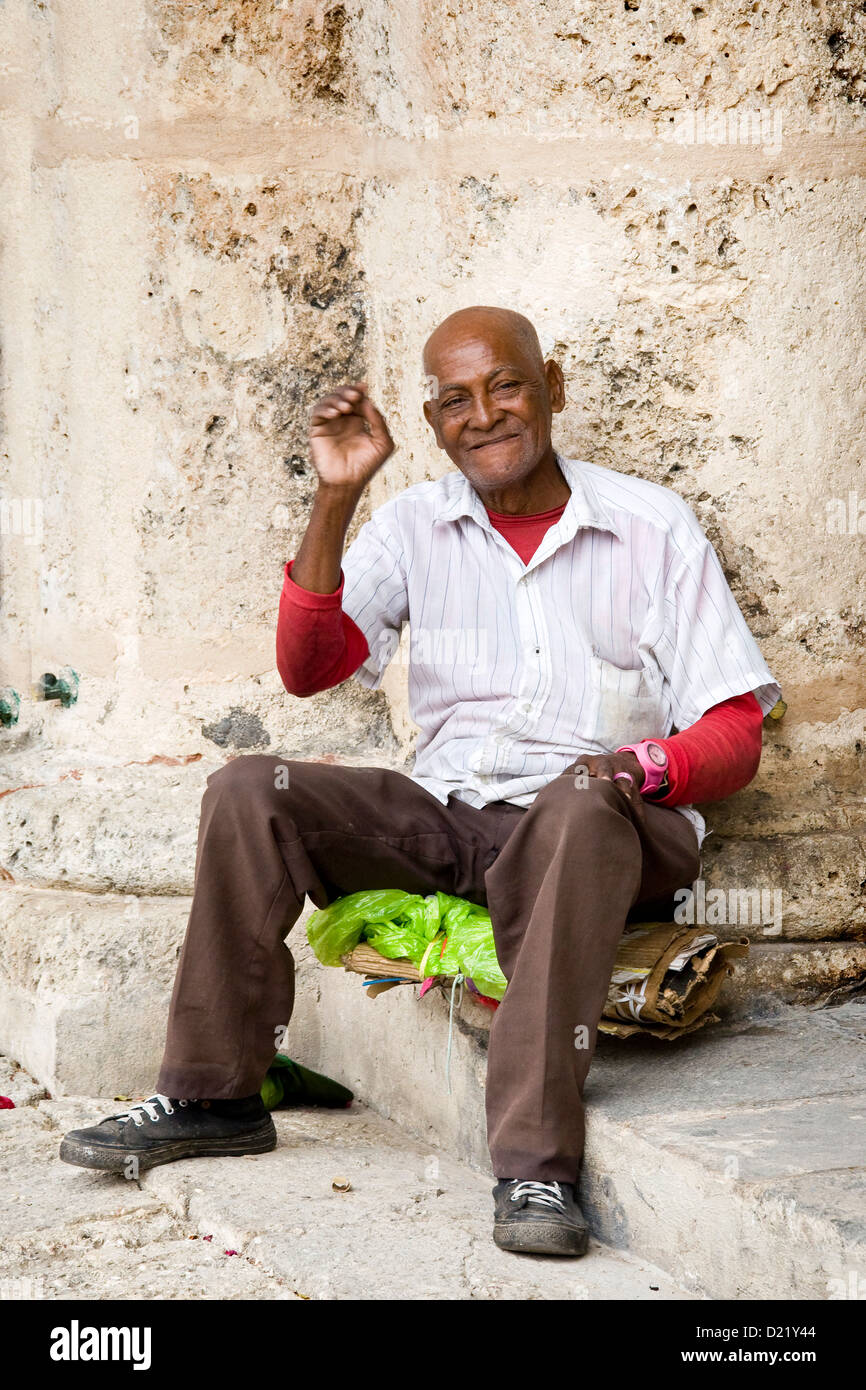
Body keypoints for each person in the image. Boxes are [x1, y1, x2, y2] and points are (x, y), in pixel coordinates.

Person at [60, 306, 781, 1258]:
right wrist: (335, 499)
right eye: (453, 400)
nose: (482, 415)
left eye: (506, 386)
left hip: (610, 819)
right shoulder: (413, 525)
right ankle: (214, 1093)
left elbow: (736, 728)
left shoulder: (651, 526)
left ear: (553, 387)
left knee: (572, 799)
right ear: (432, 421)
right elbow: (310, 665)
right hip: (459, 822)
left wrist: (636, 766)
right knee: (250, 787)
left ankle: (535, 1166)